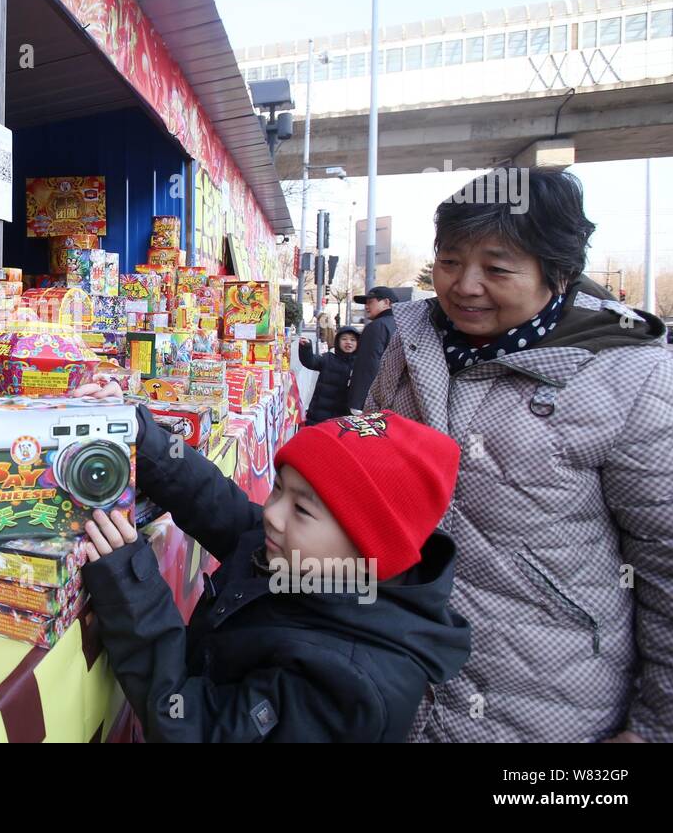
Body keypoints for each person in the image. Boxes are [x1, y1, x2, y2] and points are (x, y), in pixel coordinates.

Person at [367, 168, 673, 742]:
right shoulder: (409, 347)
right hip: (398, 676)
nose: (464, 285)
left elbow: (668, 567)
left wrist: (658, 729)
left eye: (497, 267)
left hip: (545, 710)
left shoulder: (632, 379)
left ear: (557, 274)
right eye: (450, 261)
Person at [72, 390, 469, 743]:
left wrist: (130, 585)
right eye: (278, 487)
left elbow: (196, 727)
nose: (273, 515)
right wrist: (139, 431)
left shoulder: (346, 684)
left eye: (302, 508)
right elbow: (218, 507)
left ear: (370, 545)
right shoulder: (319, 562)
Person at [347, 285, 397, 411]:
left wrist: (357, 403)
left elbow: (367, 367)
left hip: (371, 402)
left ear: (386, 302)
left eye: (370, 302)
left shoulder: (377, 327)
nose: (366, 306)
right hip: (393, 399)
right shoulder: (401, 324)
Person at [297, 326, 359, 424]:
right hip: (318, 417)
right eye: (344, 339)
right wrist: (306, 348)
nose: (348, 342)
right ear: (338, 341)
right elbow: (310, 362)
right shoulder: (328, 358)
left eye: (353, 340)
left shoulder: (360, 365)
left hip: (343, 419)